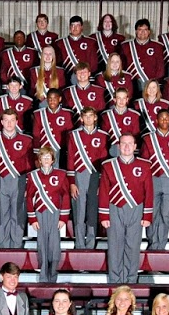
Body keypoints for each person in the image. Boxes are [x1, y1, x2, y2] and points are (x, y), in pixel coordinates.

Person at [99, 132, 153, 286]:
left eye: (130, 144)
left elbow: (149, 191)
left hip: (136, 208)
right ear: (118, 146)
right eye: (123, 143)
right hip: (115, 208)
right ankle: (115, 282)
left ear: (135, 147)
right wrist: (104, 216)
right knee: (115, 248)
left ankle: (131, 281)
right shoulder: (109, 165)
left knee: (133, 247)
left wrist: (147, 215)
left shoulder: (144, 165)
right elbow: (103, 191)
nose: (127, 147)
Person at [26, 146, 72, 282]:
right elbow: (29, 197)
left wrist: (63, 217)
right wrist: (32, 218)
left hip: (55, 213)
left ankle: (53, 275)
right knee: (42, 244)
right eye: (43, 157)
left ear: (53, 160)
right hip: (40, 213)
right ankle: (43, 275)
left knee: (54, 245)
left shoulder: (61, 175)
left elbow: (66, 196)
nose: (46, 160)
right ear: (39, 160)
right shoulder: (33, 175)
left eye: (48, 157)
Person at [0, 111, 32, 249]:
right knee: (2, 215)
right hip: (0, 180)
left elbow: (30, 165)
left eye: (12, 120)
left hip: (19, 180)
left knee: (18, 215)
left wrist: (29, 187)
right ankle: (3, 247)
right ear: (1, 122)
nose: (9, 123)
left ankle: (17, 247)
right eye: (6, 120)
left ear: (17, 122)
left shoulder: (27, 140)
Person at [66, 105, 109, 250]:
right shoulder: (74, 135)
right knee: (79, 211)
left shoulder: (103, 135)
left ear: (95, 117)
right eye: (86, 116)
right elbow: (70, 158)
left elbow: (104, 161)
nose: (88, 119)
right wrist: (72, 182)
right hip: (79, 174)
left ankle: (90, 244)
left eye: (91, 116)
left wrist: (102, 182)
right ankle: (79, 244)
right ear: (82, 118)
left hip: (95, 175)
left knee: (92, 211)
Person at [143, 106, 169, 248]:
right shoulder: (149, 139)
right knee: (152, 213)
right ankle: (152, 242)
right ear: (156, 120)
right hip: (153, 179)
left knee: (165, 214)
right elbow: (144, 164)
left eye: (167, 118)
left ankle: (161, 245)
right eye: (161, 118)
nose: (164, 120)